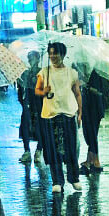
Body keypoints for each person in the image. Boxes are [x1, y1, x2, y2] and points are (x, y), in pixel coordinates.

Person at [34, 42, 83, 193]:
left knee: (71, 147)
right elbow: (37, 90)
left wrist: (80, 112)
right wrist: (44, 91)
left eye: (56, 53)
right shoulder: (44, 72)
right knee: (53, 148)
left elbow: (77, 93)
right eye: (51, 53)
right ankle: (57, 181)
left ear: (63, 54)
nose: (53, 56)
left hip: (68, 112)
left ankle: (74, 178)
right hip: (50, 114)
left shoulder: (71, 72)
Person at [79, 66, 108, 174]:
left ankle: (95, 161)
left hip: (96, 107)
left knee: (92, 134)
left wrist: (86, 86)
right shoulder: (79, 72)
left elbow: (102, 91)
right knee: (88, 134)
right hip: (85, 107)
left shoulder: (98, 73)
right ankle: (90, 160)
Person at [17, 52, 42, 164]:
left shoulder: (42, 72)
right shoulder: (25, 73)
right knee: (25, 126)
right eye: (29, 58)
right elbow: (21, 89)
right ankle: (27, 151)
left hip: (40, 103)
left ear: (38, 58)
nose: (30, 60)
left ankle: (39, 150)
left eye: (32, 58)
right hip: (27, 103)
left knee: (40, 127)